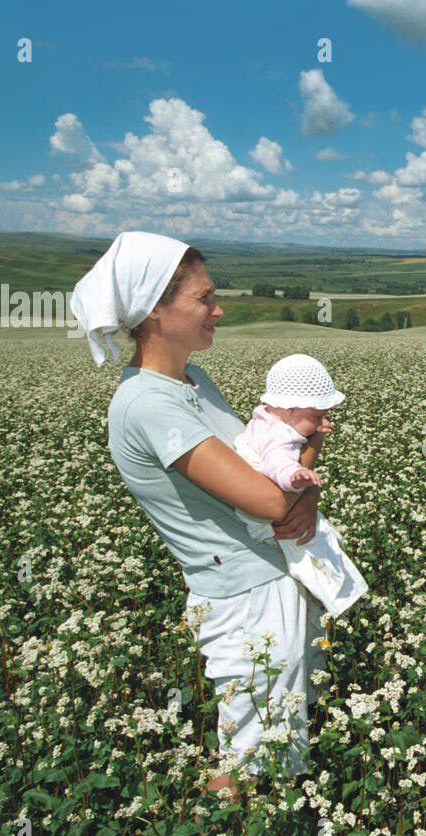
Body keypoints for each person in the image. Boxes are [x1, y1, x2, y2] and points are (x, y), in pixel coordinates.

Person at [71, 231, 329, 804]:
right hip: (243, 596)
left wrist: (304, 491)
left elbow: (273, 465)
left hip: (272, 575)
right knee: (249, 753)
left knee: (279, 733)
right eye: (203, 299)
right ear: (155, 312)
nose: (218, 309)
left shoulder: (191, 381)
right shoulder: (148, 404)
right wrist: (306, 466)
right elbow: (266, 498)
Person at [231, 353, 368, 619]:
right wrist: (297, 475)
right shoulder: (277, 436)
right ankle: (342, 604)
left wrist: (314, 429)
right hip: (269, 520)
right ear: (291, 409)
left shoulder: (272, 419)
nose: (319, 424)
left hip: (270, 512)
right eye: (317, 416)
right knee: (318, 554)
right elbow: (277, 462)